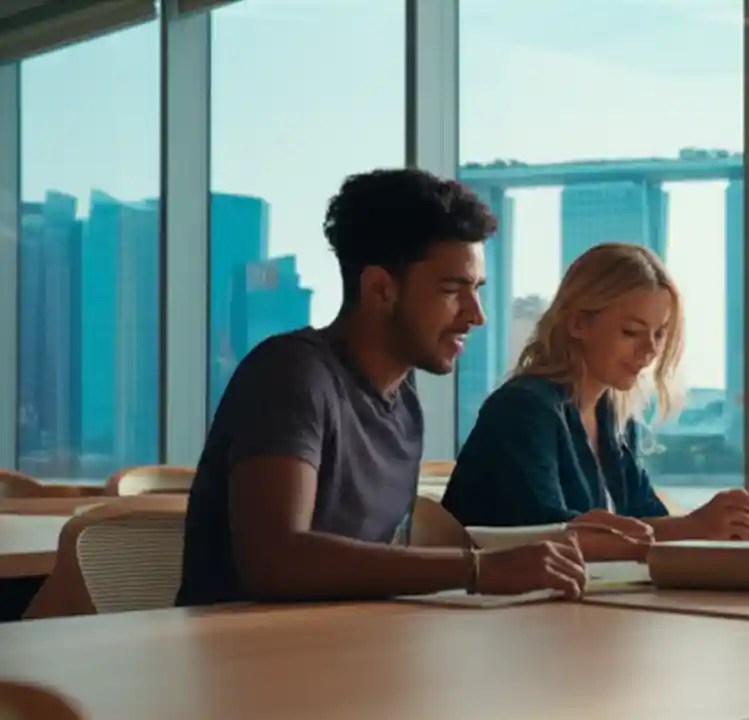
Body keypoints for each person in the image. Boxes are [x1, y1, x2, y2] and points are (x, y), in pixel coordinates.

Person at [176, 168, 588, 607]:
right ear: (380, 289)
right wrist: (479, 568)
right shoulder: (292, 374)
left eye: (477, 290)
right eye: (453, 290)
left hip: (339, 651)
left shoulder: (404, 403)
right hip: (242, 660)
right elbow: (276, 561)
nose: (476, 314)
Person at [443, 243, 749, 549]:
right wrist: (693, 527)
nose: (650, 350)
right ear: (577, 324)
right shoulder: (522, 410)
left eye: (659, 334)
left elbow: (642, 519)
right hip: (479, 607)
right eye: (631, 332)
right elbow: (550, 539)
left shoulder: (611, 417)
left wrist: (720, 525)